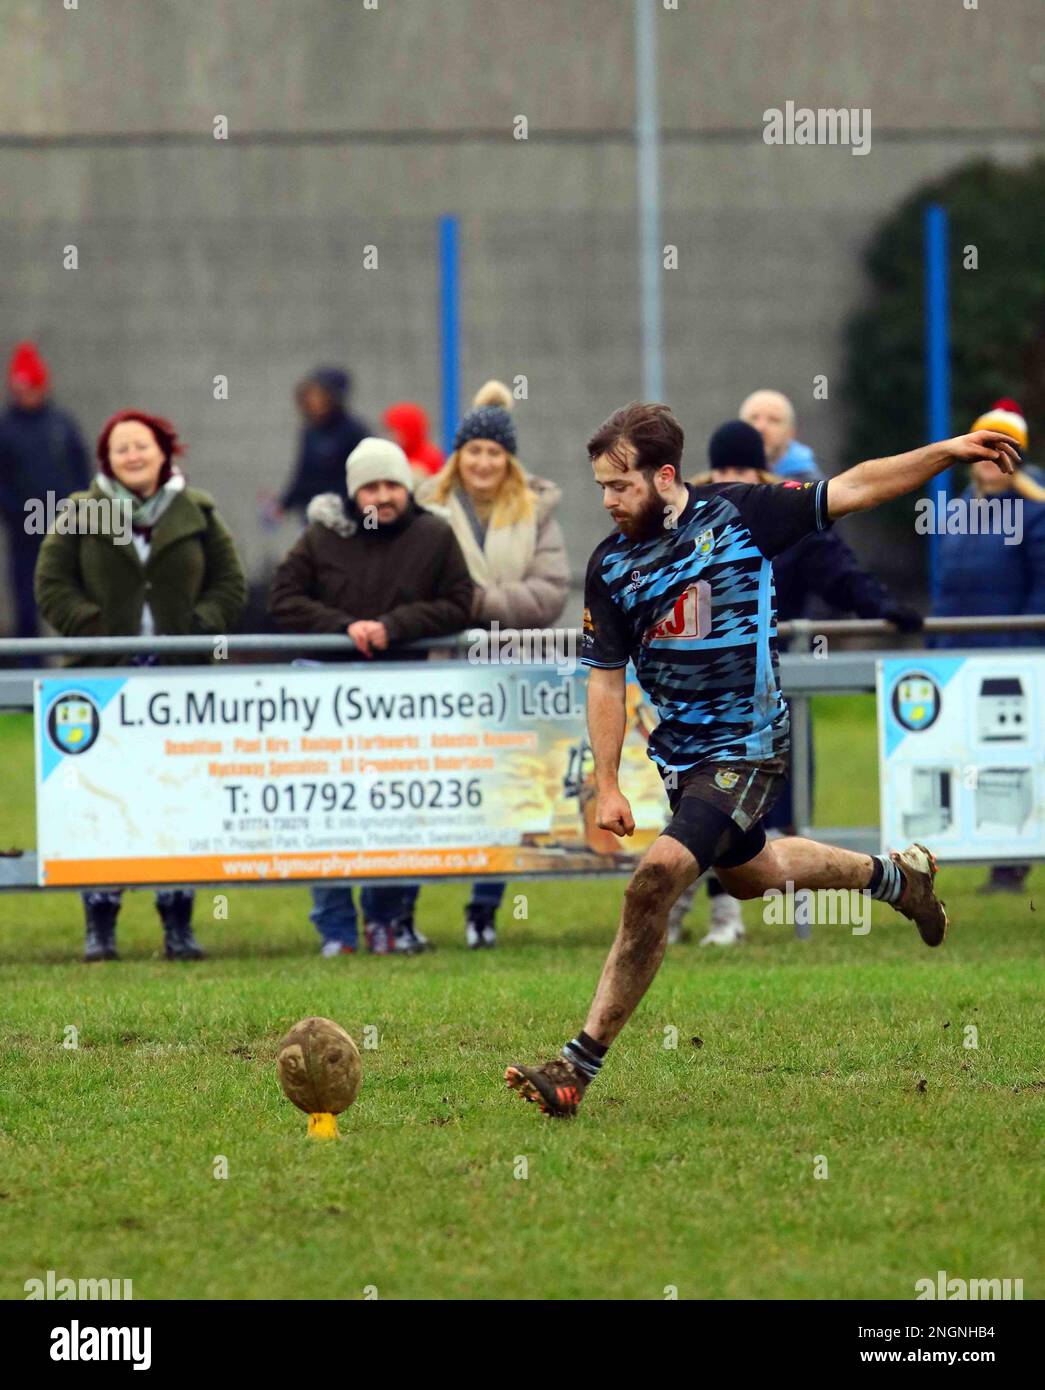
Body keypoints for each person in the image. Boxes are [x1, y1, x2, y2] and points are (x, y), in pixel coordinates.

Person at [505, 401, 1019, 1117]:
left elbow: (859, 485)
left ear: (663, 476)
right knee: (755, 876)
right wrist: (606, 783)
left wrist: (948, 450)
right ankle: (894, 880)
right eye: (600, 487)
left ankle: (575, 1067)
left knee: (652, 880)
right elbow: (603, 678)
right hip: (683, 758)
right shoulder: (610, 566)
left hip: (749, 745)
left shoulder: (739, 514)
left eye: (619, 486)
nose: (608, 501)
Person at [673, 420, 922, 947]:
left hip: (764, 694)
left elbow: (837, 558)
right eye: (724, 467)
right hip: (693, 697)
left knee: (760, 817)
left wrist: (882, 606)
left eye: (742, 467)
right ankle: (681, 909)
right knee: (693, 817)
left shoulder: (777, 510)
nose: (731, 477)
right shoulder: (682, 517)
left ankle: (722, 912)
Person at [35, 409, 247, 962]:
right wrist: (96, 629)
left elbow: (230, 582)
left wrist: (199, 628)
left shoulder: (197, 511)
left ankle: (178, 921)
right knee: (104, 802)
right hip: (102, 685)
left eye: (142, 446)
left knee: (177, 800)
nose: (132, 455)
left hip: (181, 683)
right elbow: (52, 584)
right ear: (107, 459)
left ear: (163, 452)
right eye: (121, 447)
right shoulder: (81, 514)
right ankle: (100, 924)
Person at [268, 437, 474, 956]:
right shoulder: (320, 537)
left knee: (398, 813)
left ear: (406, 487)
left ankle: (388, 920)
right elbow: (283, 601)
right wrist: (343, 627)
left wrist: (394, 627)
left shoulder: (435, 534)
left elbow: (459, 603)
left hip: (406, 704)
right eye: (369, 486)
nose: (380, 496)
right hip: (327, 707)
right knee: (327, 817)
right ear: (352, 492)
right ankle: (335, 930)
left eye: (390, 485)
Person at [417, 381, 569, 947]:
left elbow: (549, 592)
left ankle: (484, 907)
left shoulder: (536, 512)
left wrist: (471, 604)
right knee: (437, 788)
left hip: (511, 675)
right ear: (459, 456)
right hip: (442, 673)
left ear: (508, 458)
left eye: (493, 452)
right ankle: (403, 913)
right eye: (474, 451)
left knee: (504, 791)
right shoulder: (427, 507)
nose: (483, 462)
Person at [932, 398, 1045, 896]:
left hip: (1011, 659)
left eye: (1003, 451)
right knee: (965, 756)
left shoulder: (1036, 510)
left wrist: (1020, 645)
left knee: (1010, 756)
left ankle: (1010, 860)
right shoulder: (957, 509)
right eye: (984, 449)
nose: (991, 461)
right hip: (959, 657)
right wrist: (934, 642)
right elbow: (946, 585)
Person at [0, 342, 90, 648]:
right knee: (27, 598)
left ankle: (78, 655)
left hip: (63, 527)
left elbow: (81, 469)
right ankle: (30, 661)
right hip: (25, 532)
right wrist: (18, 513)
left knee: (72, 593)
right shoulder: (6, 429)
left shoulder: (61, 425)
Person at [267, 367, 371, 521]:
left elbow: (362, 477)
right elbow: (303, 473)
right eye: (309, 396)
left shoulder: (354, 432)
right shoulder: (310, 431)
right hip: (313, 515)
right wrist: (283, 505)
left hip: (345, 517)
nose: (313, 401)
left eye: (319, 396)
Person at [739, 388, 821, 481]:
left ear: (791, 433)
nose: (760, 427)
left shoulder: (810, 488)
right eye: (753, 418)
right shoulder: (723, 478)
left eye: (773, 420)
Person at [384, 401, 444, 484]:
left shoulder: (430, 458)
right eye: (389, 431)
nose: (391, 436)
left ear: (409, 430)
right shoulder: (393, 454)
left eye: (395, 430)